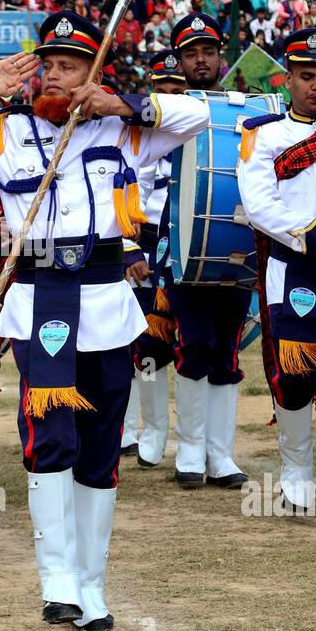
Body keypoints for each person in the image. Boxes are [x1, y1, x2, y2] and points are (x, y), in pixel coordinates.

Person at [0, 10, 212, 631]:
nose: (54, 76)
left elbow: (197, 116)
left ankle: (93, 584)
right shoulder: (6, 132)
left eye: (69, 66)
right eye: (47, 65)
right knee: (52, 439)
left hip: (106, 302)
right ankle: (58, 583)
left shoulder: (125, 132)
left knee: (99, 446)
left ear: (92, 74)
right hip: (41, 297)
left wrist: (122, 104)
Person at [237, 27, 316, 525]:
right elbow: (259, 205)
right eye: (306, 76)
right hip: (293, 268)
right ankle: (293, 472)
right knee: (292, 377)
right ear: (287, 79)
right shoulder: (262, 134)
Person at [167, 13, 251, 490]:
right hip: (185, 246)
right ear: (179, 61)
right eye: (190, 53)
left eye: (207, 52)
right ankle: (190, 451)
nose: (200, 60)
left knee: (227, 351)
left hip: (236, 245)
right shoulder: (169, 111)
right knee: (193, 344)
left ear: (221, 57)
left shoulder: (250, 110)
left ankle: (221, 454)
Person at [122, 49, 184, 469]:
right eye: (161, 89)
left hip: (183, 245)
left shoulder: (200, 130)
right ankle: (134, 428)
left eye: (176, 90)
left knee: (176, 344)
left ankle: (160, 430)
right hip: (140, 243)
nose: (168, 96)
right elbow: (117, 193)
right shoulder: (131, 133)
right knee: (134, 341)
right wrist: (130, 250)